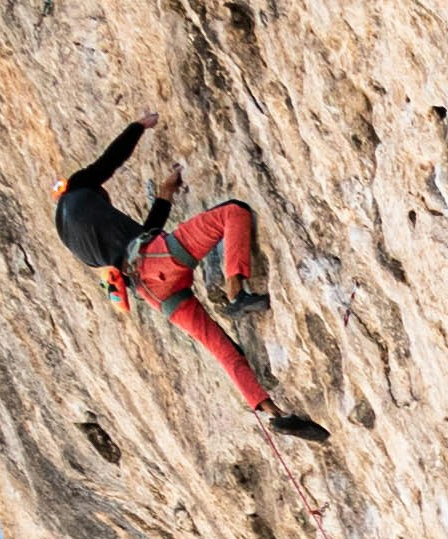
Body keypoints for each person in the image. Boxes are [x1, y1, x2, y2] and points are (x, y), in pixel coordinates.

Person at [53, 111, 331, 441]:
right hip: (157, 259)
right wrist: (138, 127)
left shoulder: (75, 243)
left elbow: (139, 238)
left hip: (152, 291)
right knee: (233, 212)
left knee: (222, 348)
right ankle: (236, 291)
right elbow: (109, 162)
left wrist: (165, 194)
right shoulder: (79, 188)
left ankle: (274, 413)